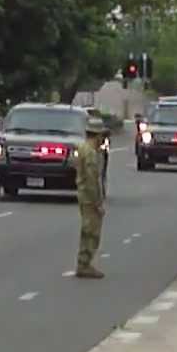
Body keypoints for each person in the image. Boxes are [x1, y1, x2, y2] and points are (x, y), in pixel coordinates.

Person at [75, 116, 107, 279]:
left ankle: (84, 263)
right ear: (97, 135)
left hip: (84, 195)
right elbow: (91, 180)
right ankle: (84, 263)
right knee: (91, 231)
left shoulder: (83, 148)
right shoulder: (90, 153)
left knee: (89, 229)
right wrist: (98, 203)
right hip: (89, 197)